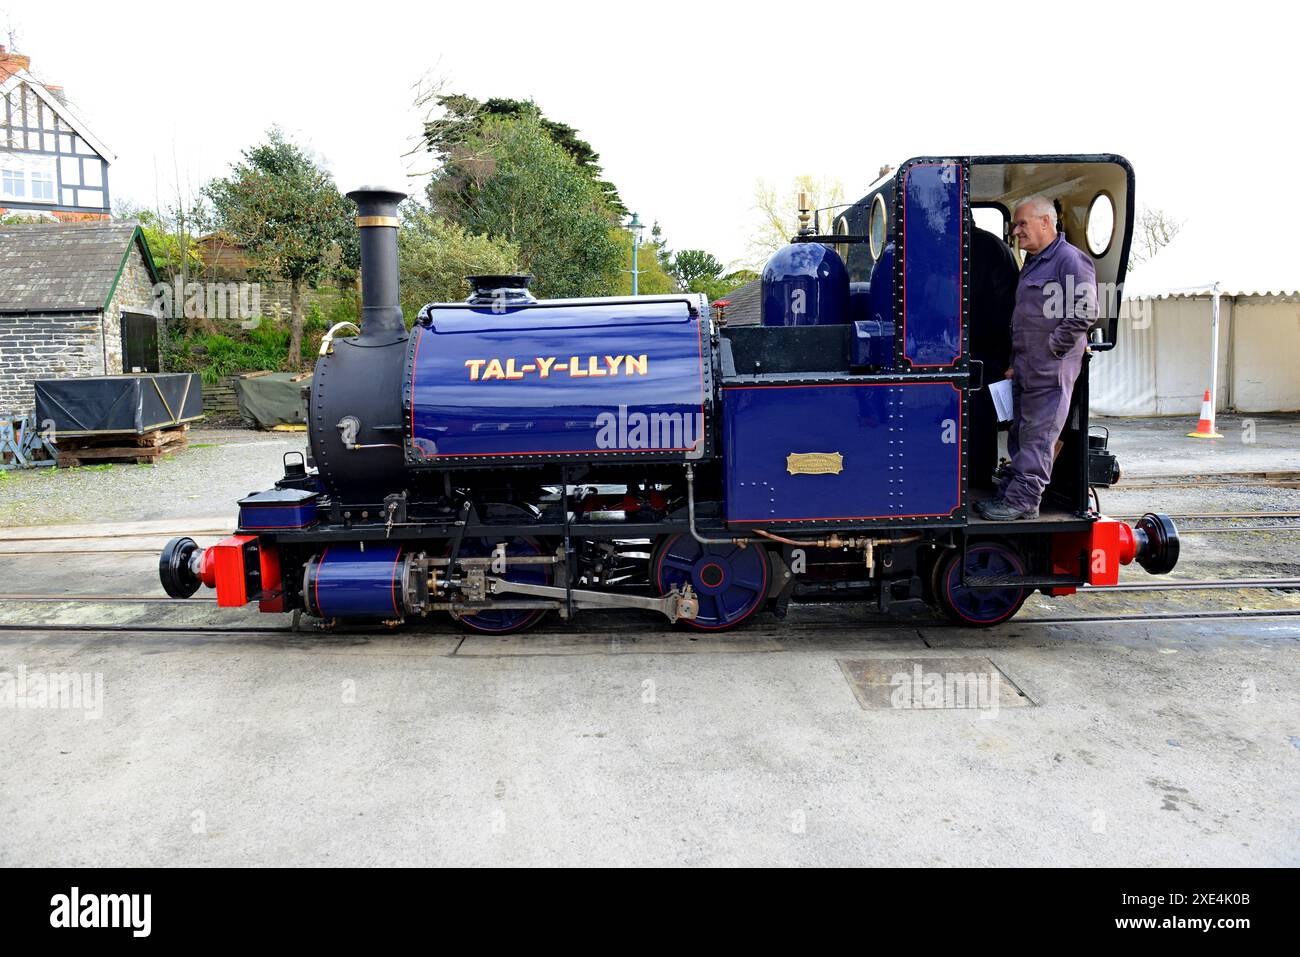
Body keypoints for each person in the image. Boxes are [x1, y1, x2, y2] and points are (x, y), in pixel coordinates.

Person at [976, 196, 1097, 521]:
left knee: (1038, 438)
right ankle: (1010, 495)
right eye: (1015, 224)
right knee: (1021, 435)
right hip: (1026, 368)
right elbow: (1024, 318)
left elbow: (1084, 311)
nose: (1015, 231)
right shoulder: (1034, 261)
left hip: (1049, 370)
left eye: (1022, 224)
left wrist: (1054, 350)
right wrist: (1017, 361)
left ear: (1045, 222)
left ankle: (1023, 503)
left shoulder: (1071, 260)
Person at [967, 212, 1020, 490]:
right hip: (987, 351)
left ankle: (977, 483)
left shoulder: (981, 248)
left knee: (978, 419)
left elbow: (983, 307)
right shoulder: (992, 246)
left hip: (985, 354)